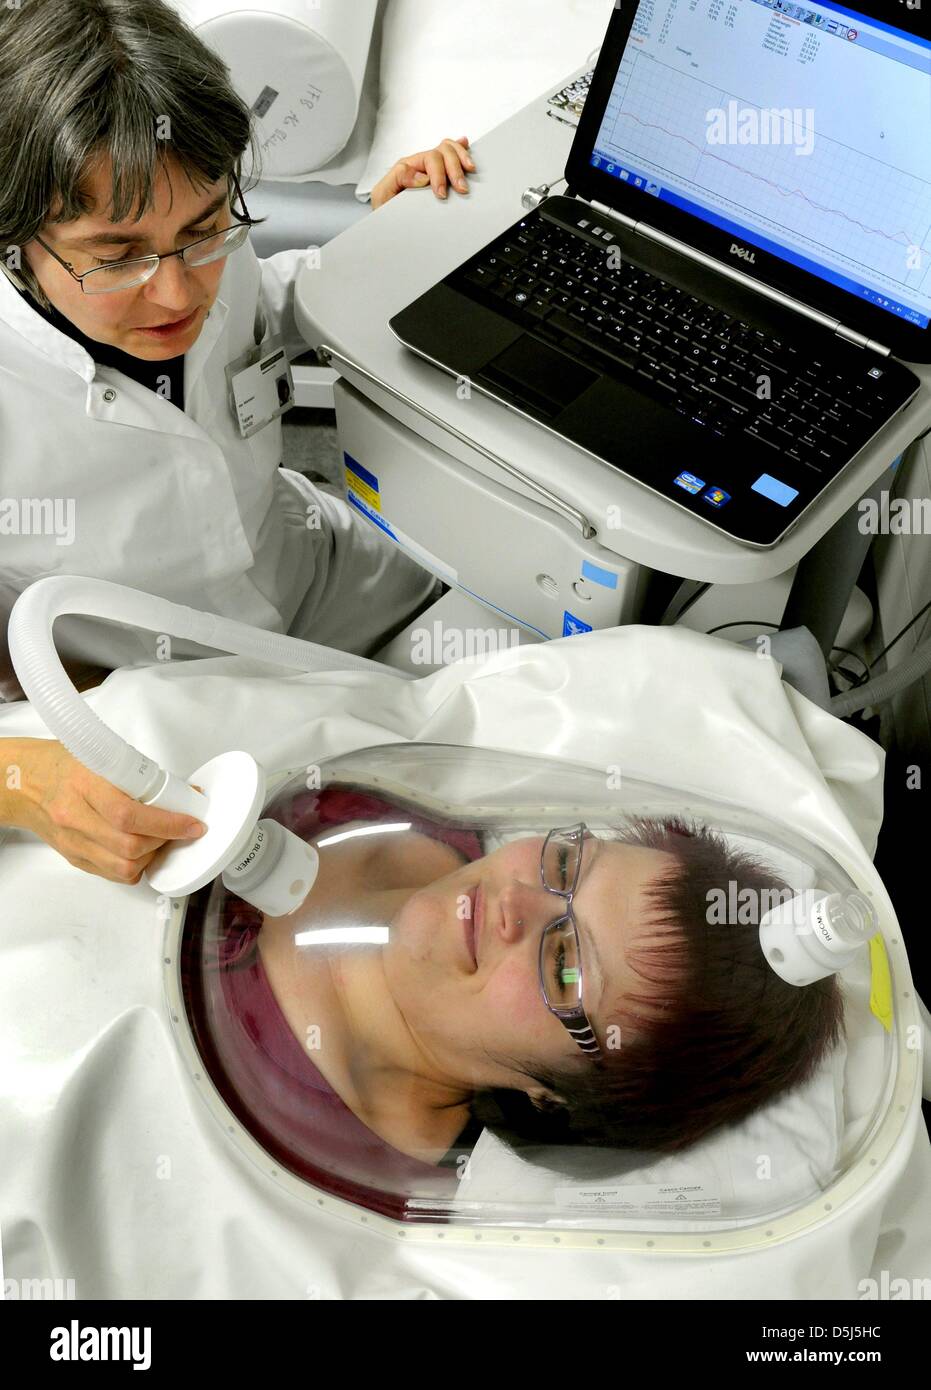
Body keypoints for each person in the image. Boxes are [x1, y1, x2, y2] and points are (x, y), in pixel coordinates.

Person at [0, 0, 476, 884]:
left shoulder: (195, 247)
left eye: (206, 228)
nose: (178, 293)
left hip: (325, 580)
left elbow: (267, 302)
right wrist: (20, 778)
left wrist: (388, 233)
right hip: (160, 691)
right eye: (115, 256)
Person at [186, 789, 845, 1216]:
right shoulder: (390, 807)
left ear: (554, 1097)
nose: (514, 903)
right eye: (564, 868)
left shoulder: (323, 1182)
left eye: (563, 968)